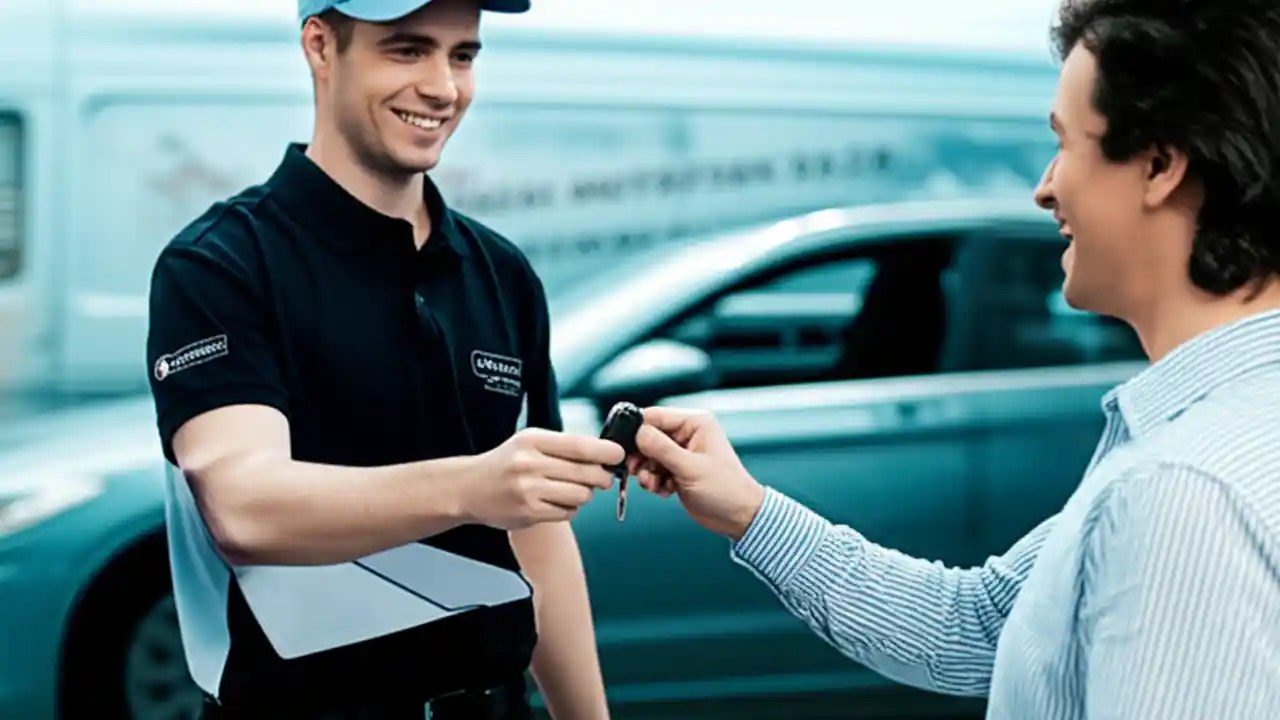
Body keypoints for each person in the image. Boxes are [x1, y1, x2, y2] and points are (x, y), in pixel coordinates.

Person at [627, 1, 1280, 717]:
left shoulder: (1181, 490)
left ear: (1159, 166)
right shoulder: (1222, 432)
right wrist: (749, 511)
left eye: (1066, 144)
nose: (1046, 187)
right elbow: (977, 624)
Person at [144, 0, 623, 718]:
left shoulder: (500, 272)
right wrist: (474, 486)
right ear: (320, 46)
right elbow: (246, 509)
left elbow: (536, 530)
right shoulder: (220, 264)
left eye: (462, 55)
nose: (443, 87)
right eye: (407, 50)